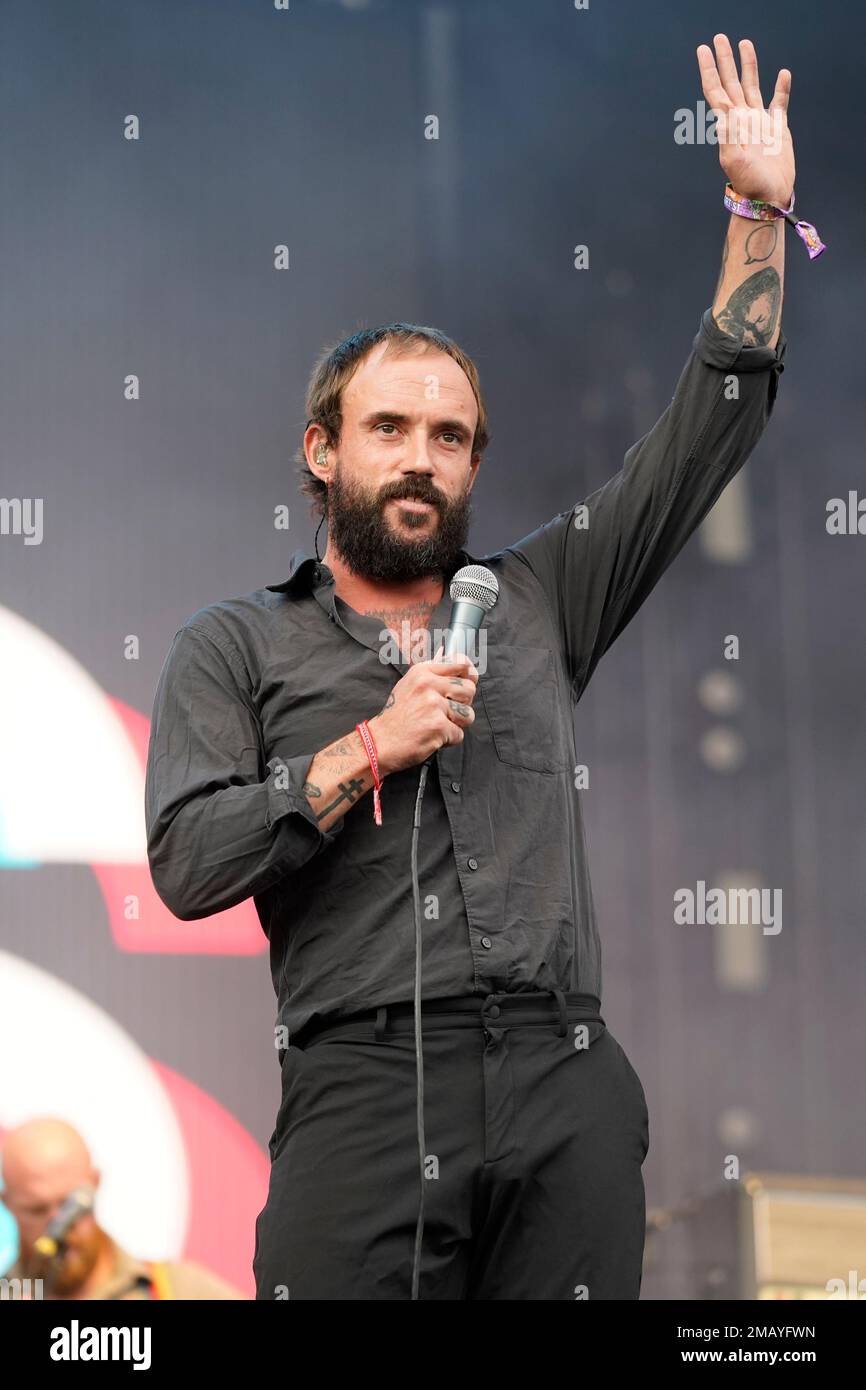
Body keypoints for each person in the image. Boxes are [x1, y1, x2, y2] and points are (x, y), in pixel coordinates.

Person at [145, 36, 807, 1299]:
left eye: (448, 437)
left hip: (561, 1075)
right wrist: (361, 748)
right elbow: (186, 864)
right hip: (360, 1084)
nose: (419, 457)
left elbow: (707, 426)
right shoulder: (232, 643)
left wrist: (755, 212)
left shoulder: (540, 594)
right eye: (387, 427)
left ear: (472, 467)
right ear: (321, 451)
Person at [1, 1118, 246, 1300]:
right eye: (36, 1210)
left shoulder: (179, 1291)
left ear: (94, 1183)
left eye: (72, 1205)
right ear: (7, 1203)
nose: (59, 1227)